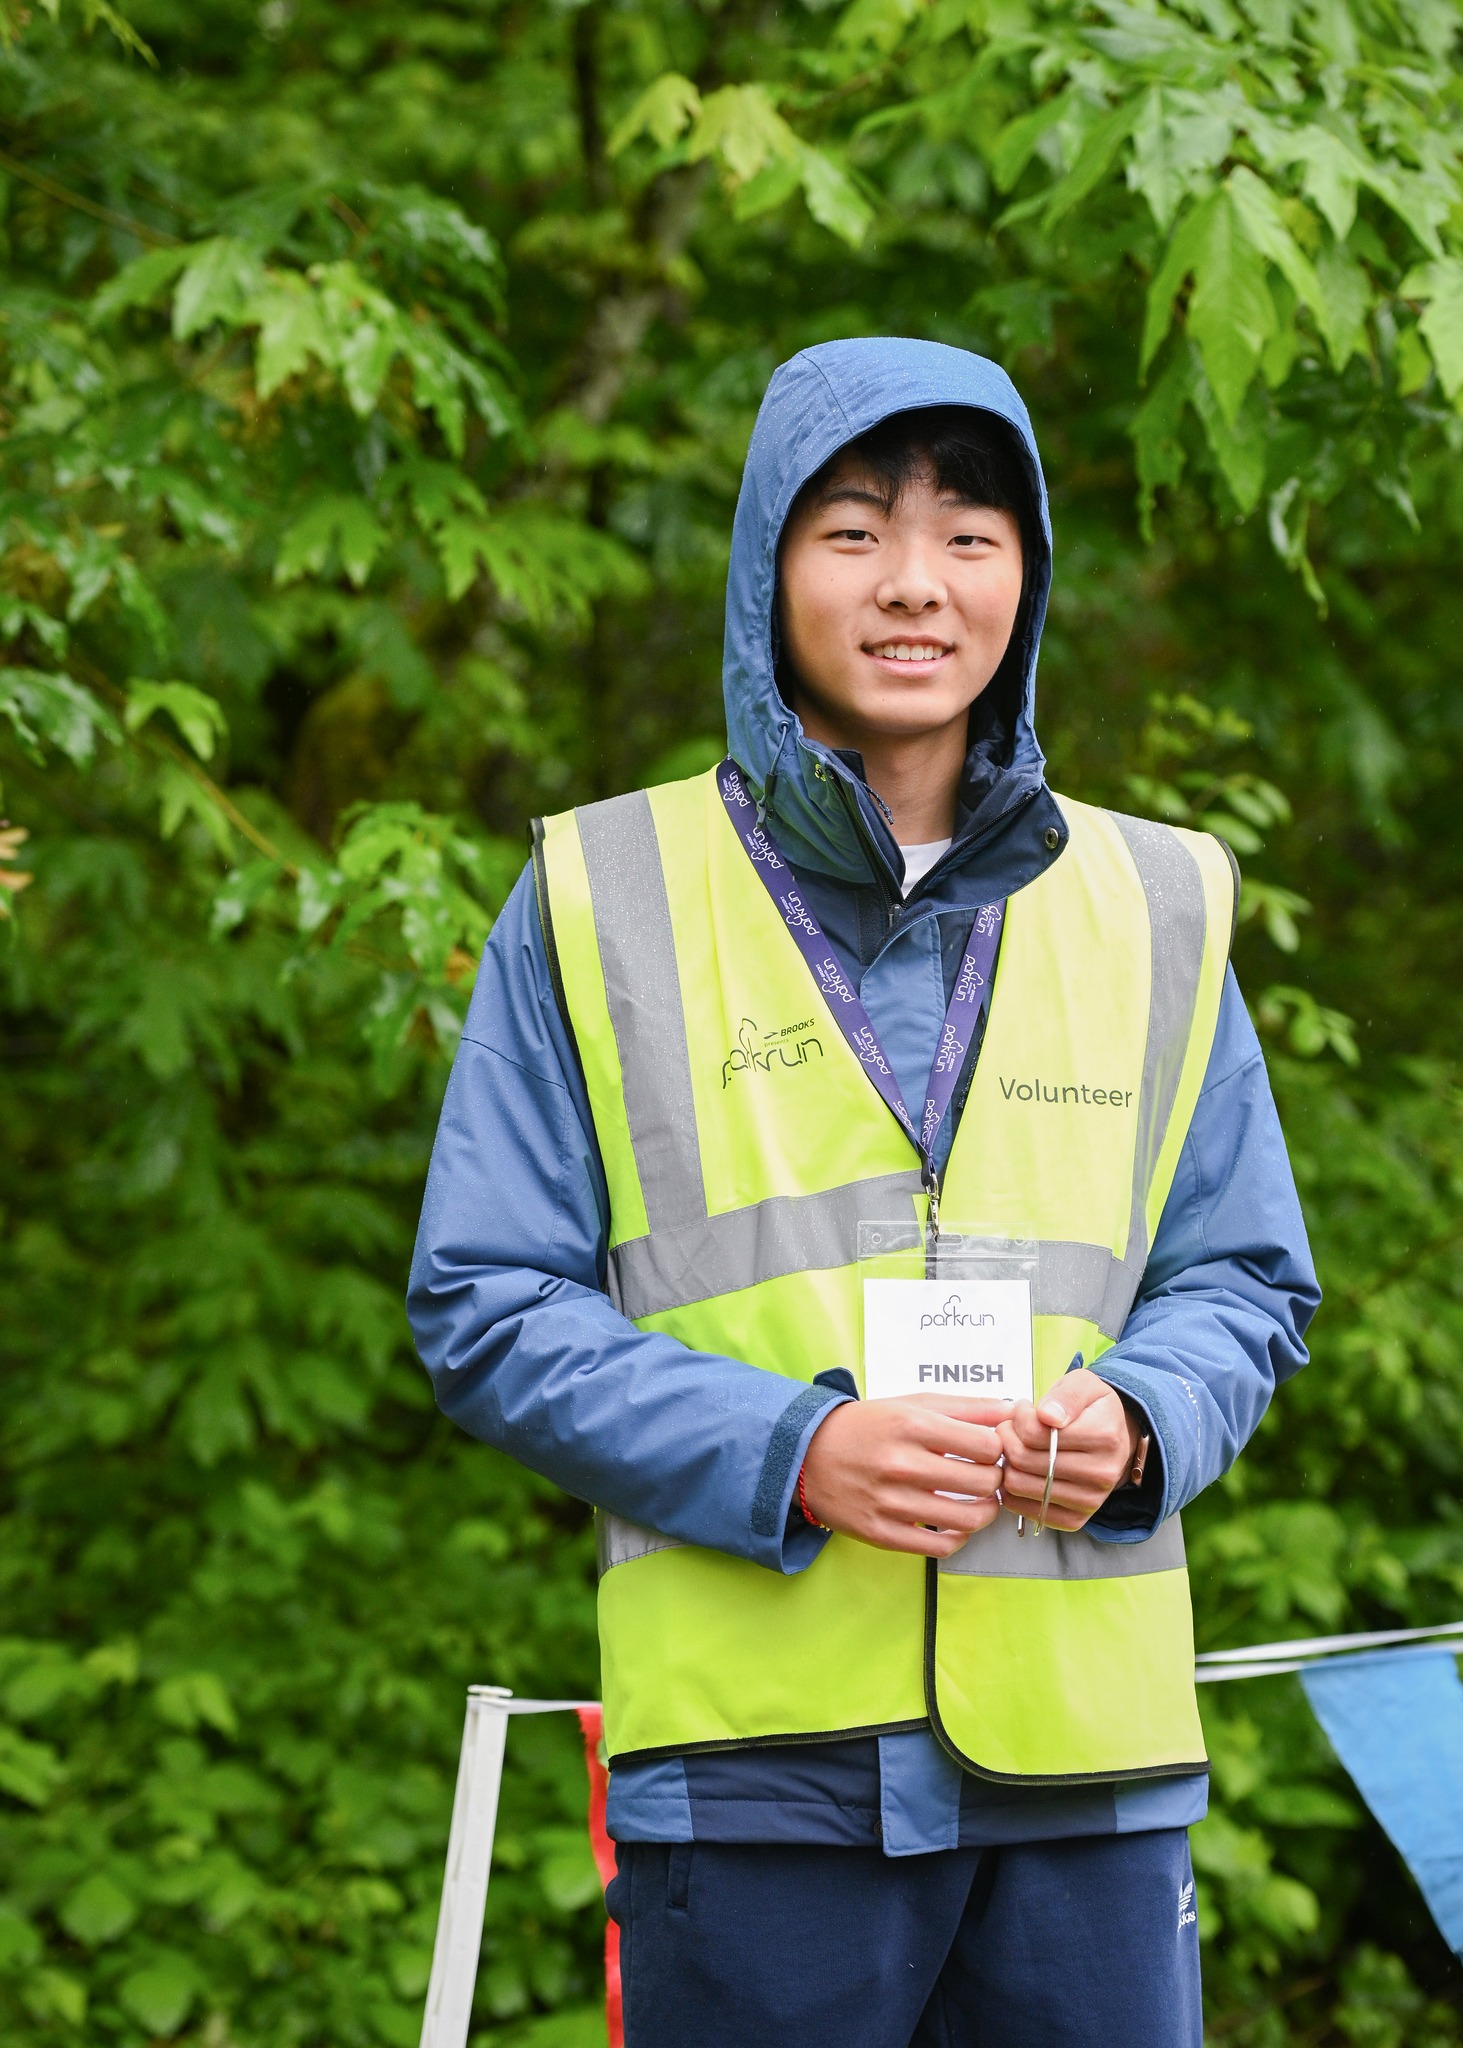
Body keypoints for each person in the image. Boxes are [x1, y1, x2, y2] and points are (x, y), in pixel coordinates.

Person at [407, 337, 1319, 2048]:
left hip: (1089, 1775)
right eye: (854, 531)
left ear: (1027, 580)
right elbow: (484, 1302)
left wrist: (1137, 1417)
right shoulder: (599, 892)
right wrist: (793, 1452)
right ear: (770, 569)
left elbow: (1248, 1279)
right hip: (757, 1790)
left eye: (972, 535)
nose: (916, 585)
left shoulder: (1163, 900)